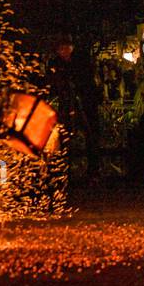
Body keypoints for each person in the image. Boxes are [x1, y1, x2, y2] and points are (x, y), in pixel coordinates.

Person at [45, 35, 102, 180]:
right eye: (60, 49)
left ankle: (93, 171)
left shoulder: (82, 61)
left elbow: (88, 80)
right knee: (64, 135)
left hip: (85, 102)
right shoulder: (56, 63)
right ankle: (64, 169)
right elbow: (52, 81)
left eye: (66, 48)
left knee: (91, 134)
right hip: (67, 102)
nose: (63, 52)